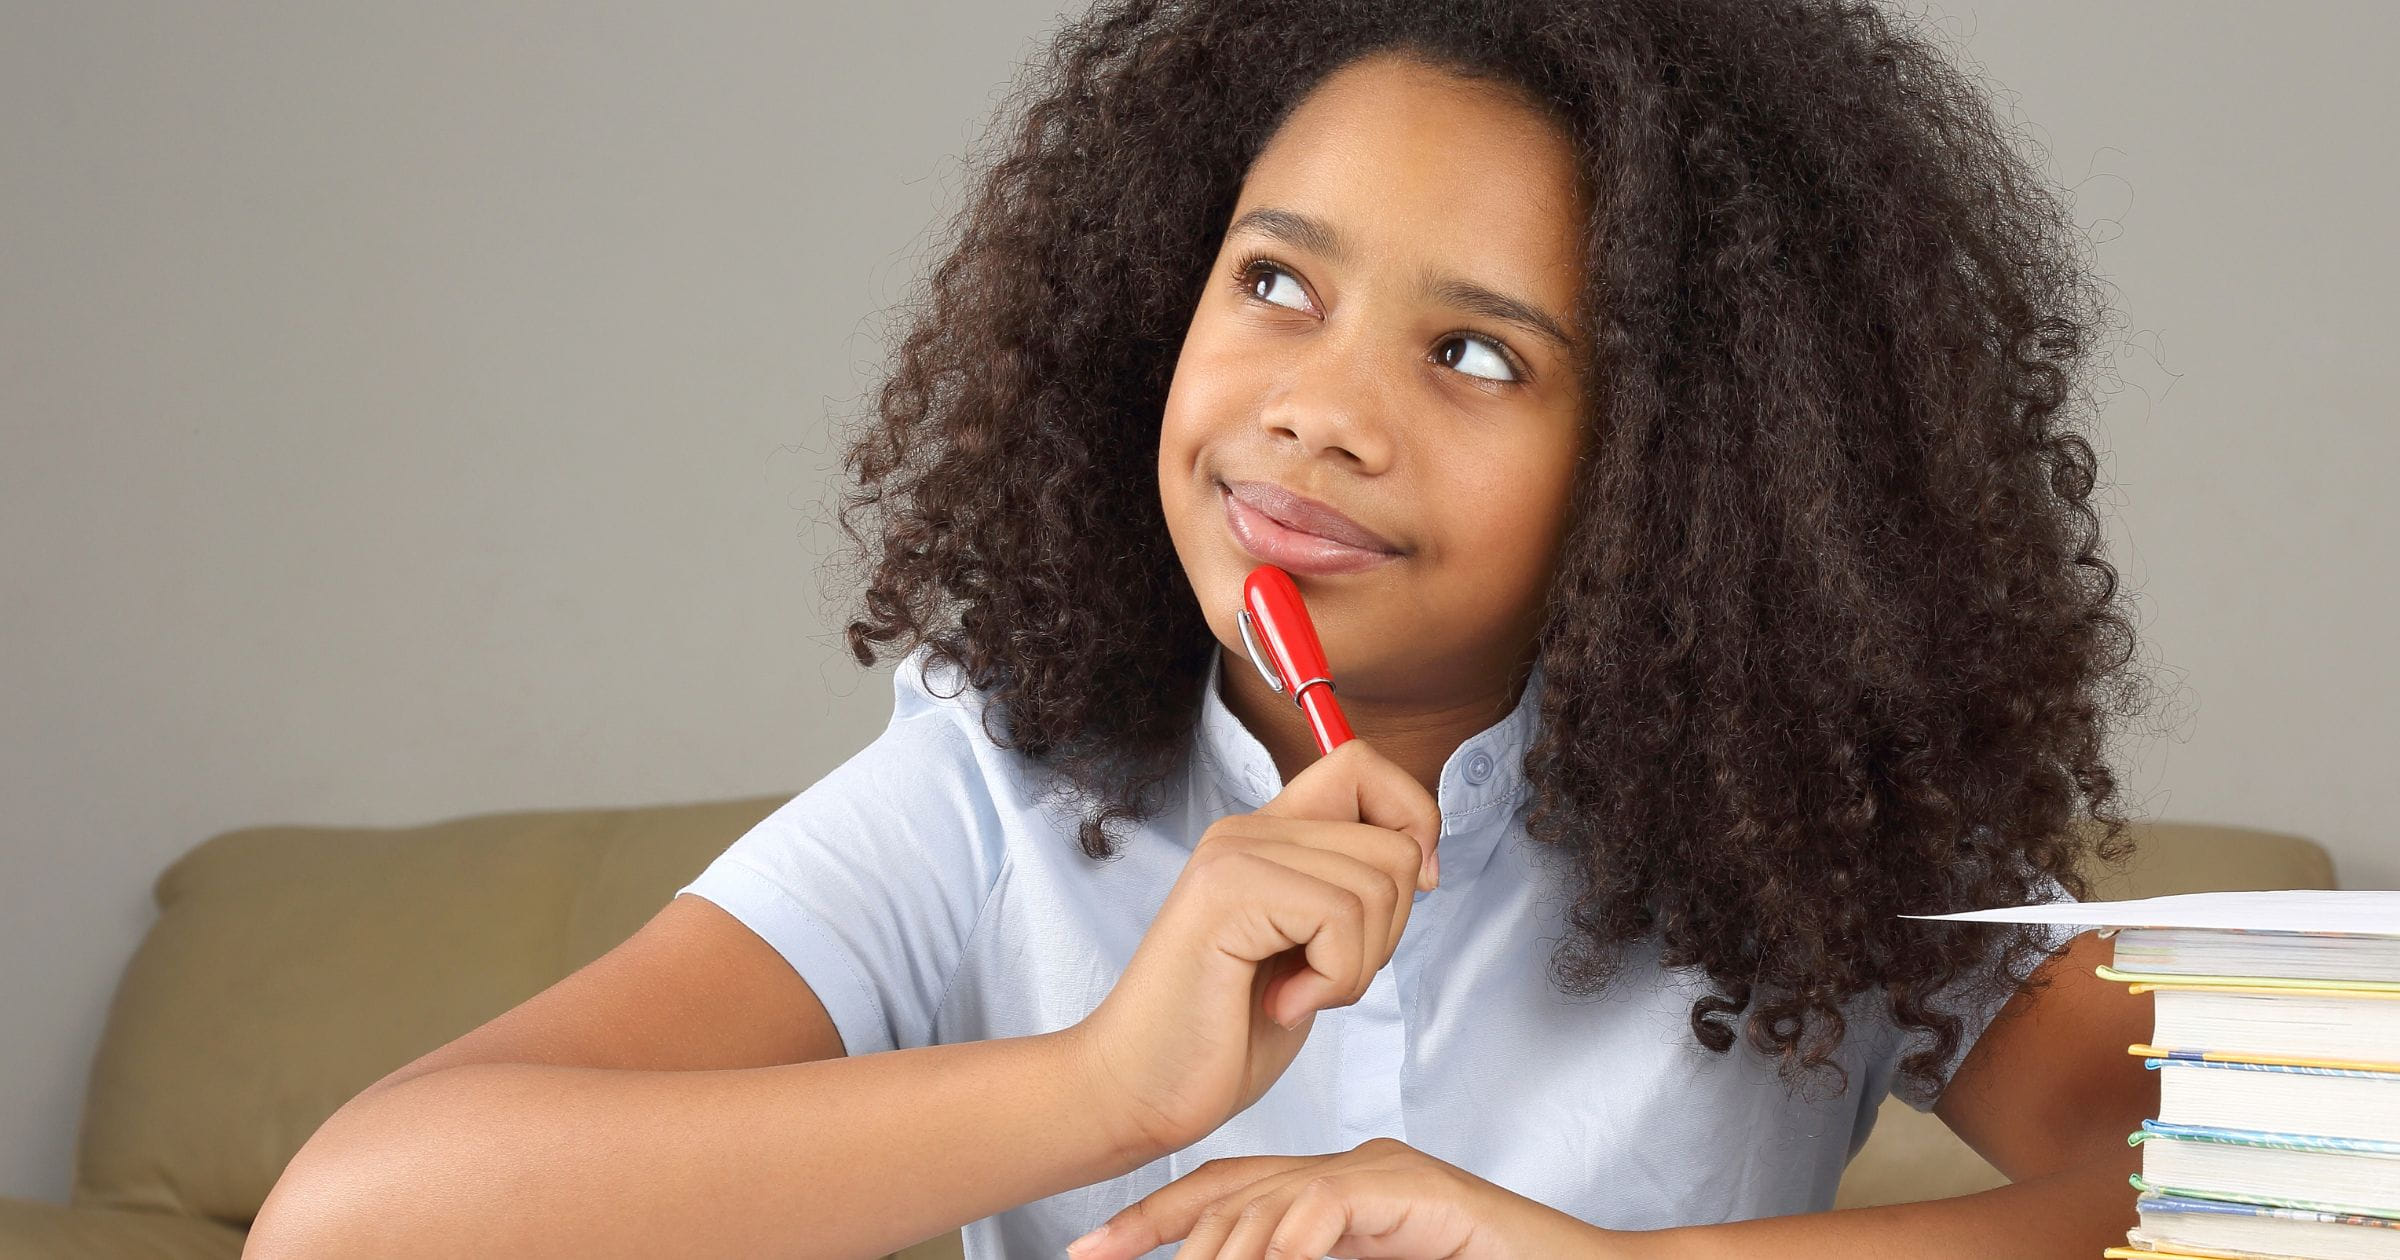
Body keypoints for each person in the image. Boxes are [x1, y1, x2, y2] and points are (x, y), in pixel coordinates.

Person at [247, 1, 2162, 1256]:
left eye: (1478, 353)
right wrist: (1106, 1089)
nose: (1318, 409)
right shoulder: (988, 797)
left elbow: (2301, 1190)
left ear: (1694, 472)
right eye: (1274, 282)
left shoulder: (1812, 828)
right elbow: (353, 1223)